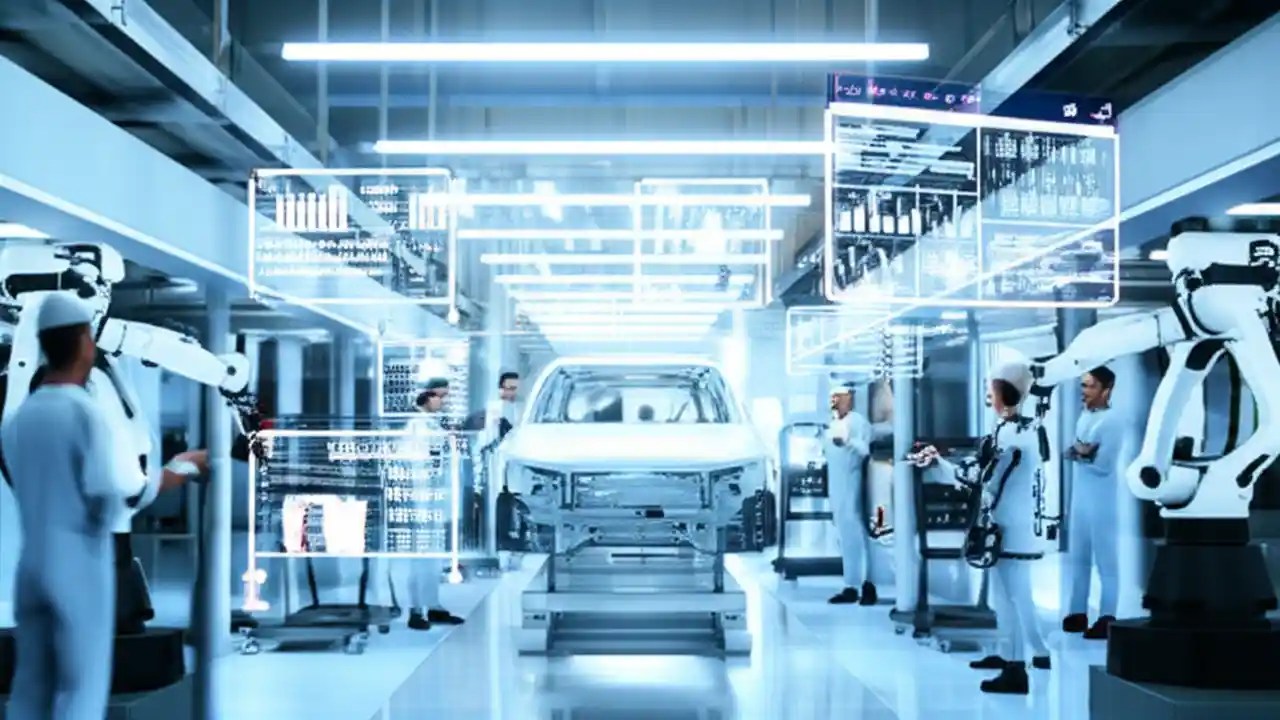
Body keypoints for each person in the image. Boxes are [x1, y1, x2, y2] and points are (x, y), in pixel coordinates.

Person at [1, 295, 201, 719]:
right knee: (81, 684)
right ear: (84, 343)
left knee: (32, 683)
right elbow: (121, 490)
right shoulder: (86, 415)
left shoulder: (20, 418)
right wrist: (182, 469)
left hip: (30, 567)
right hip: (80, 566)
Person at [910, 358, 1051, 695]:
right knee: (1005, 596)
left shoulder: (1016, 435)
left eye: (991, 389)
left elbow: (977, 476)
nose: (989, 396)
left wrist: (939, 463)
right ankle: (1008, 656)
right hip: (1012, 524)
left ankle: (1017, 670)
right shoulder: (1021, 429)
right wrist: (942, 461)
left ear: (1003, 392)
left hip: (1012, 529)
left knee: (1015, 597)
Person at [1063, 365, 1122, 640]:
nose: (1083, 391)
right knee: (1079, 557)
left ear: (1106, 390)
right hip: (1081, 498)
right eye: (1083, 385)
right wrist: (1081, 451)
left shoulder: (1112, 421)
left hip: (1102, 500)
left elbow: (1102, 463)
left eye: (1089, 386)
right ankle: (1077, 611)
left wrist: (1081, 452)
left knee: (1106, 560)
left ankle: (1107, 615)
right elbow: (1076, 450)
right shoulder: (1084, 418)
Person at [403, 378, 464, 631]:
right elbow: (415, 463)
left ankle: (433, 605)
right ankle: (416, 611)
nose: (444, 401)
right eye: (441, 396)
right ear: (426, 396)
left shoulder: (431, 424)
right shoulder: (416, 426)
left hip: (434, 500)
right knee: (419, 556)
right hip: (420, 502)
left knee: (433, 557)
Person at [823, 383, 876, 606]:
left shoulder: (858, 422)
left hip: (854, 483)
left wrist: (848, 443)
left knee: (858, 533)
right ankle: (851, 585)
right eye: (833, 397)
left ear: (850, 399)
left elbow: (865, 450)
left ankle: (868, 584)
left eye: (841, 397)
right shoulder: (832, 424)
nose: (836, 401)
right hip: (837, 487)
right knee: (845, 537)